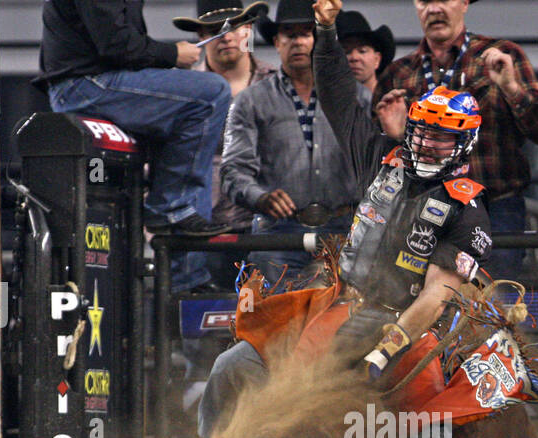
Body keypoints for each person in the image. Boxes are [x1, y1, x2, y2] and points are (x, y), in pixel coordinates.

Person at [199, 0, 494, 438]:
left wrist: (390, 346)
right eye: (424, 133)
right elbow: (337, 93)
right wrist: (327, 30)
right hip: (337, 303)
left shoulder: (468, 211)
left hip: (406, 323)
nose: (429, 145)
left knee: (426, 418)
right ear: (413, 128)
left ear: (463, 145)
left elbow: (439, 293)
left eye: (442, 139)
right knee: (232, 366)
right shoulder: (378, 159)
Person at [36, 0, 233, 290]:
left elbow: (124, 48)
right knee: (211, 93)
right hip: (83, 85)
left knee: (180, 123)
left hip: (90, 82)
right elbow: (116, 44)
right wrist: (172, 54)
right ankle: (172, 209)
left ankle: (186, 277)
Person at [372, 0, 538, 278]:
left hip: (494, 206)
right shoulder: (398, 74)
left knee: (494, 300)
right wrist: (396, 138)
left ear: (464, 3)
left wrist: (510, 87)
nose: (434, 9)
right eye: (424, 1)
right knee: (416, 299)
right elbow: (378, 165)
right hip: (419, 209)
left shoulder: (503, 56)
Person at [220, 0, 359, 280]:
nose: (297, 41)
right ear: (277, 41)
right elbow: (232, 171)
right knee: (275, 317)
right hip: (278, 232)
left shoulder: (354, 97)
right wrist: (260, 197)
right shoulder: (251, 100)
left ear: (318, 39)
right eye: (289, 34)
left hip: (343, 228)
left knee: (342, 319)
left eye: (306, 33)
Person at [174, 0, 276, 291]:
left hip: (268, 229)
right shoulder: (180, 89)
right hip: (197, 236)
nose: (227, 35)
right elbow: (158, 160)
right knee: (193, 326)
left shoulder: (278, 84)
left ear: (249, 30)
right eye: (216, 29)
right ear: (201, 36)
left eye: (235, 26)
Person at [336, 10, 394, 108]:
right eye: (346, 52)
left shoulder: (395, 102)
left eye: (362, 51)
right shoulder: (330, 105)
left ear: (377, 59)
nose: (354, 58)